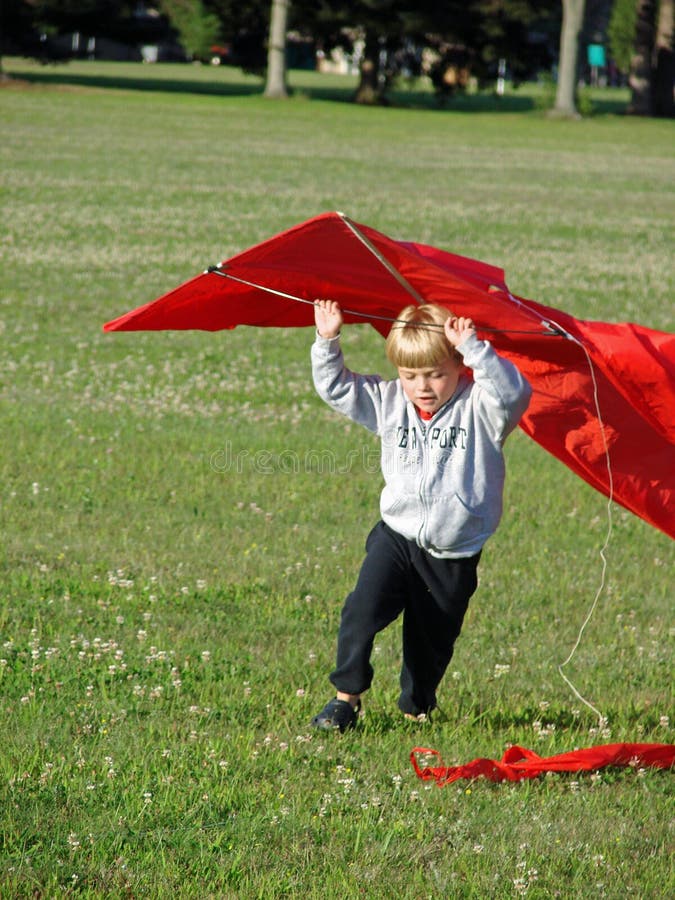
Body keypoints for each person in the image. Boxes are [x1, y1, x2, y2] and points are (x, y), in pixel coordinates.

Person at [310, 299, 532, 731]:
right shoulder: (389, 401)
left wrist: (474, 346)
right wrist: (327, 339)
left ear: (458, 366)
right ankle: (345, 699)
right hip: (397, 536)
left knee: (430, 643)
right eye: (410, 375)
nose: (422, 386)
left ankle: (416, 707)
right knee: (362, 609)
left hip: (453, 551)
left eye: (435, 374)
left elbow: (514, 392)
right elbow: (337, 387)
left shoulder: (483, 408)